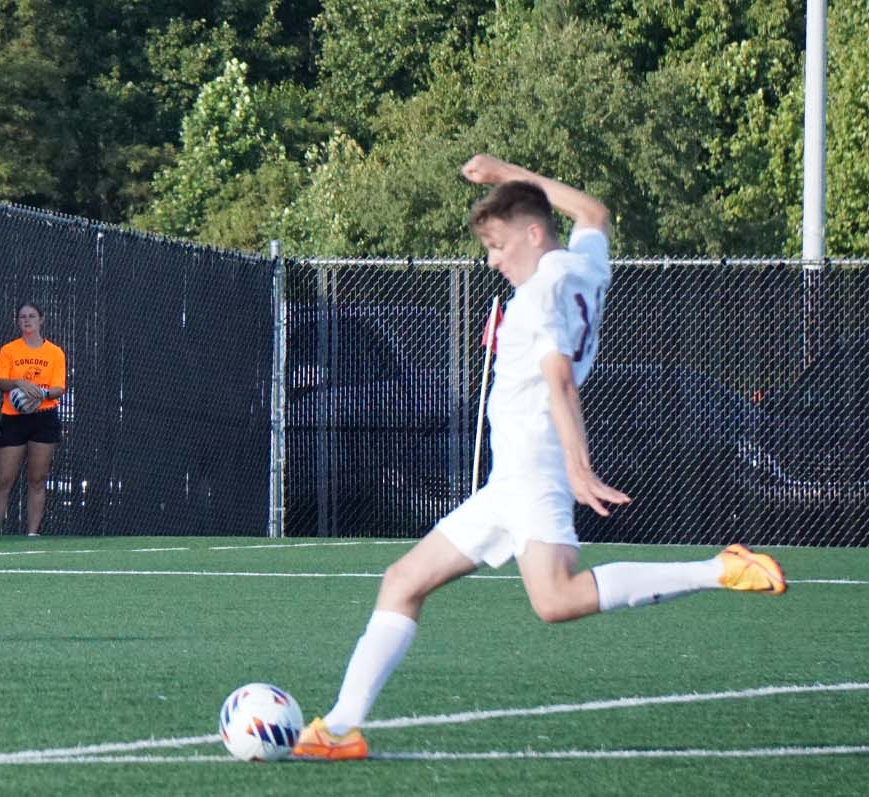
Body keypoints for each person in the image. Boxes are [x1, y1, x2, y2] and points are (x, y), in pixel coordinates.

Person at [291, 155, 787, 761]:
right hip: (511, 479)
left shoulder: (541, 294)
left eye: (497, 246)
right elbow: (594, 212)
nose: (492, 261)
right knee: (403, 581)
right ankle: (340, 729)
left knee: (556, 600)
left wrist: (577, 465)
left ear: (531, 234)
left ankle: (719, 570)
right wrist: (507, 173)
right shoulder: (581, 266)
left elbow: (560, 382)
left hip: (535, 470)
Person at [0, 302, 67, 537]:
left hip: (43, 417)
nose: (27, 320)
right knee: (4, 479)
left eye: (32, 316)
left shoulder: (55, 353)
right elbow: (1, 382)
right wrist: (19, 383)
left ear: (41, 319)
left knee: (37, 478)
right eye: (23, 317)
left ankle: (32, 534)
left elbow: (59, 388)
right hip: (14, 418)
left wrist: (40, 394)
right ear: (18, 321)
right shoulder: (9, 350)